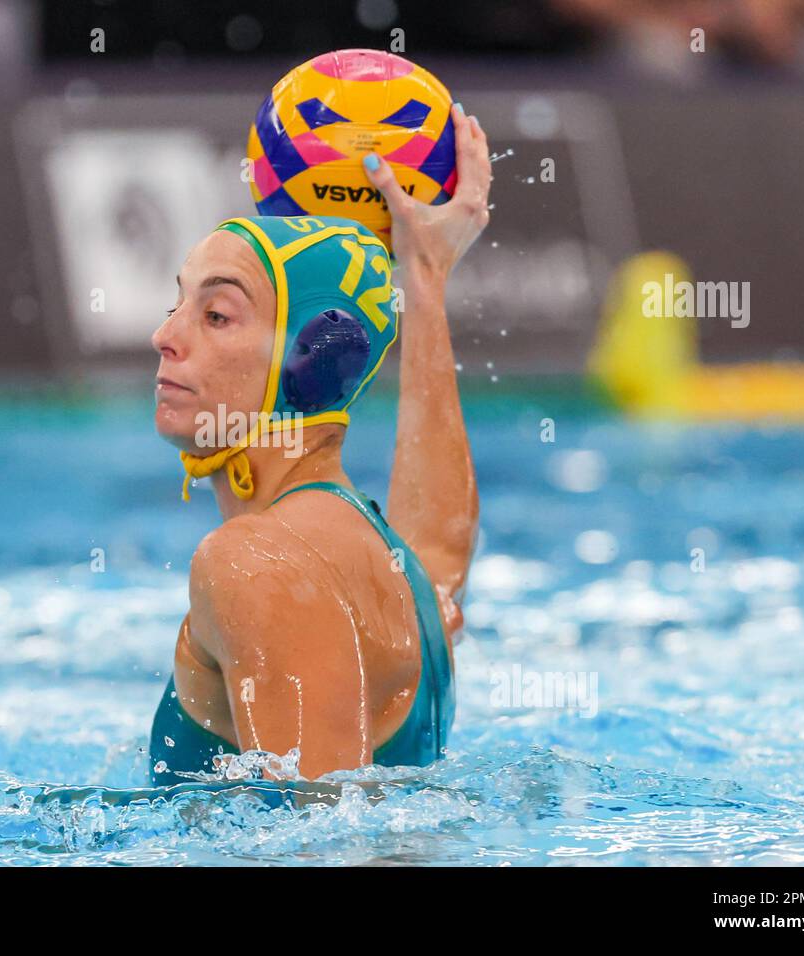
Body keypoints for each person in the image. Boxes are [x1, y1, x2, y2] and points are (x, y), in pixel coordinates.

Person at [148, 104, 491, 784]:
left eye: (216, 315)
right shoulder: (403, 576)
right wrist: (423, 279)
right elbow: (441, 551)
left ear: (309, 360)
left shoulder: (252, 561)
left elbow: (325, 842)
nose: (166, 336)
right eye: (177, 304)